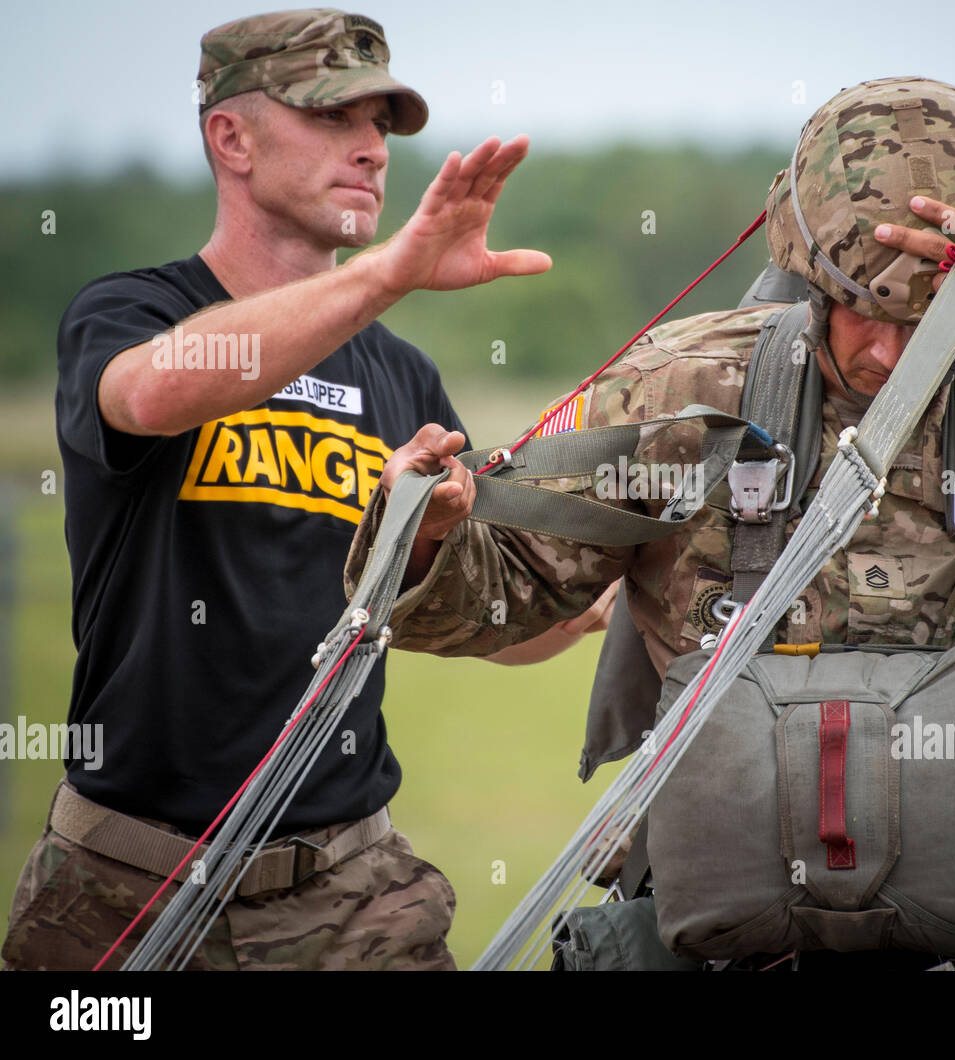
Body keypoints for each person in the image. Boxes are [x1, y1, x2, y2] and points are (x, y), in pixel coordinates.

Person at [347, 77, 955, 966]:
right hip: (727, 936)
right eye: (862, 308)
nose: (889, 351)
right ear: (804, 269)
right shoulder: (684, 392)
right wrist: (428, 535)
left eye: (929, 316)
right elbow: (494, 603)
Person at [2, 7, 604, 972]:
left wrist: (602, 595)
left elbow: (493, 621)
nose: (369, 150)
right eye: (333, 119)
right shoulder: (130, 314)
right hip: (122, 890)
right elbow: (156, 392)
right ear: (229, 136)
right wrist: (389, 274)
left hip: (356, 898)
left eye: (380, 128)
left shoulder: (403, 380)